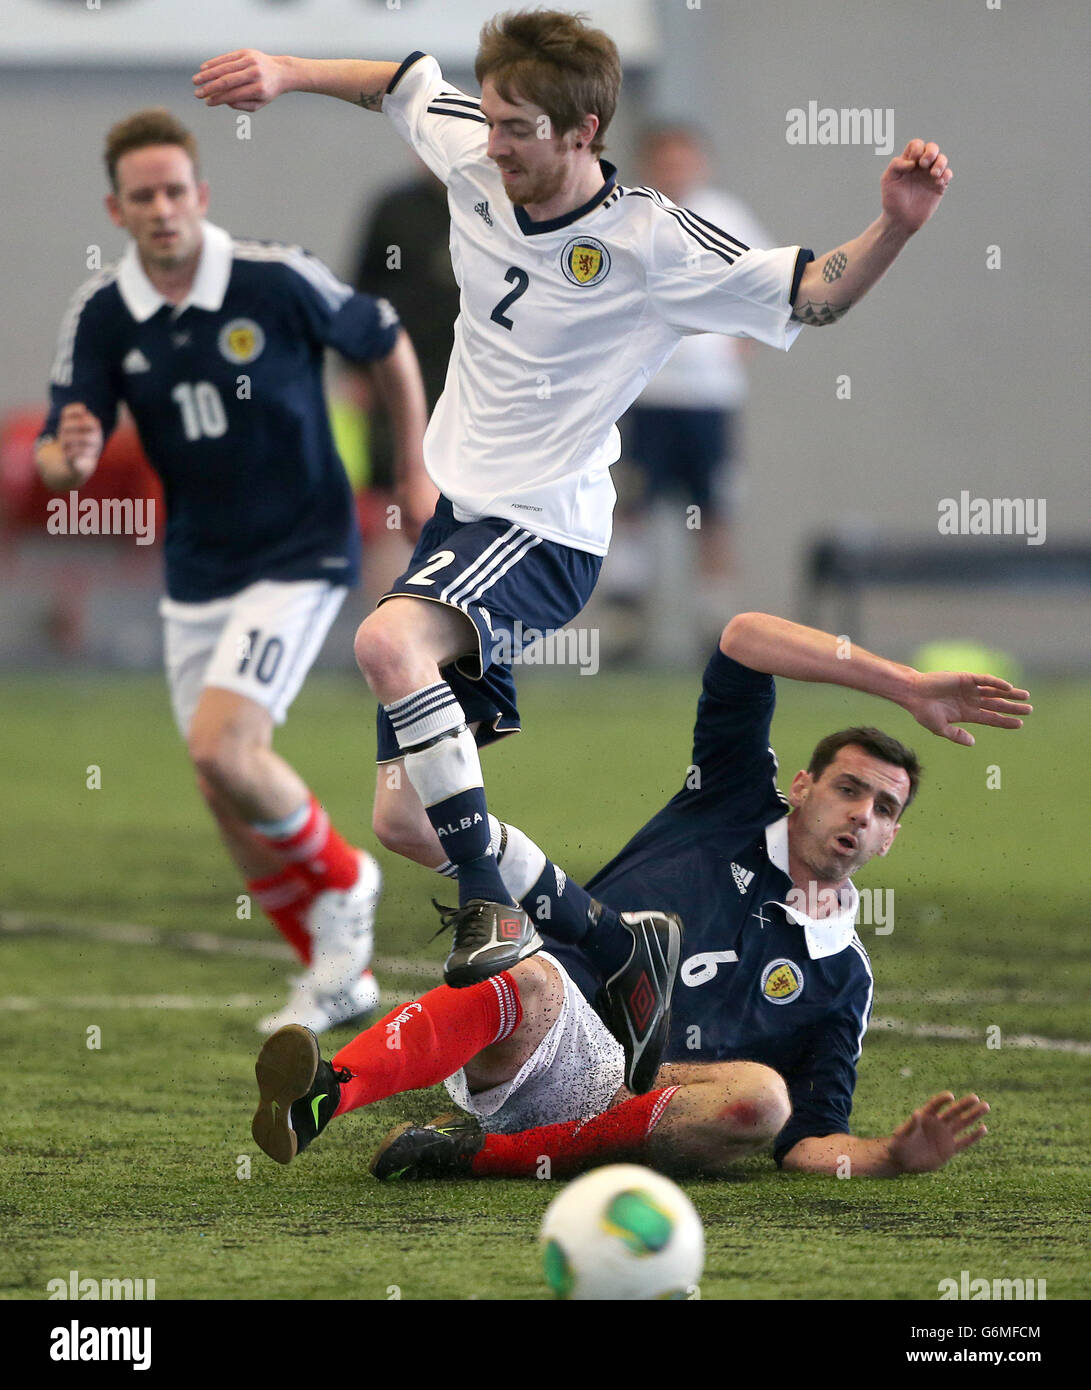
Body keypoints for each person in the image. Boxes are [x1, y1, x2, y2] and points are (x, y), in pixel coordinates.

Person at [194, 8, 955, 1085]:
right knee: (405, 819)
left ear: (582, 129)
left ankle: (492, 919)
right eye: (490, 119)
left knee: (385, 646)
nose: (490, 142)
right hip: (464, 518)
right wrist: (283, 68)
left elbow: (812, 296)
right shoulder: (475, 142)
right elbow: (403, 79)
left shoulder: (651, 238)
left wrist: (895, 225)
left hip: (541, 527)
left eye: (515, 128)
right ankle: (615, 942)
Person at [247, 611, 1031, 1179]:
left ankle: (482, 1158)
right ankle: (323, 1093)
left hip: (655, 1107)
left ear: (890, 838)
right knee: (523, 971)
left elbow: (809, 1145)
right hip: (551, 1042)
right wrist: (902, 684)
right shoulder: (728, 798)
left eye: (883, 809)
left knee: (762, 1101)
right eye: (848, 788)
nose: (860, 813)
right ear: (800, 787)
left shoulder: (842, 977)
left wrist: (893, 1157)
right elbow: (740, 638)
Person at [35, 108, 433, 1036]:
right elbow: (62, 453)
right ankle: (334, 977)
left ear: (200, 195)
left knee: (225, 746)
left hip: (299, 550)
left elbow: (385, 341)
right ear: (117, 209)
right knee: (221, 790)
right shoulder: (104, 313)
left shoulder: (272, 277)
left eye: (176, 190)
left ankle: (347, 879)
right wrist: (71, 456)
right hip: (199, 568)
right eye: (144, 196)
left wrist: (410, 471)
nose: (163, 208)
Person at [624, 123, 769, 588]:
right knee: (631, 504)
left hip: (709, 397)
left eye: (684, 158)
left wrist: (741, 344)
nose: (675, 169)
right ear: (648, 165)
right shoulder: (629, 216)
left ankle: (715, 619)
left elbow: (771, 287)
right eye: (664, 159)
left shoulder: (729, 217)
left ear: (703, 163)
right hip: (644, 394)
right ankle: (626, 614)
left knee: (714, 509)